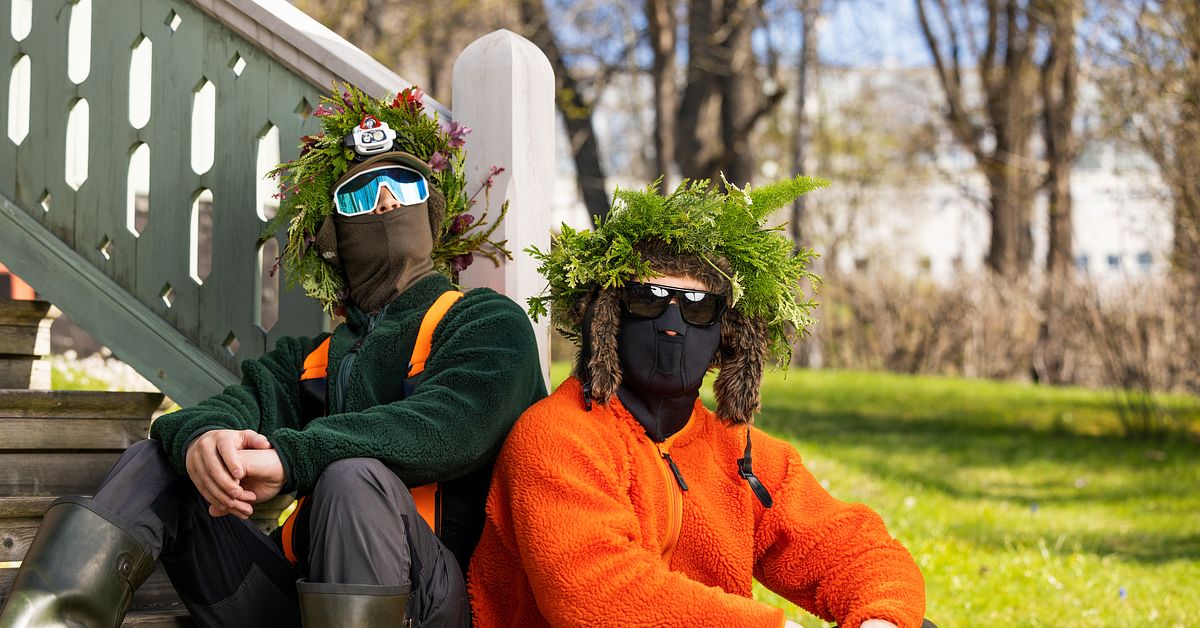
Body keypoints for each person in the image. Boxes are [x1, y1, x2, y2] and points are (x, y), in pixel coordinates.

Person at [0, 86, 546, 628]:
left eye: (403, 184)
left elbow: (449, 428)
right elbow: (218, 412)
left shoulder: (486, 322)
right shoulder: (310, 360)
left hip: (435, 602)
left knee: (352, 478)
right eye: (359, 194)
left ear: (430, 211)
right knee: (161, 458)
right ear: (332, 237)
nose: (384, 202)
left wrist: (292, 457)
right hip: (306, 596)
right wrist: (203, 441)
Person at [468, 178, 929, 627]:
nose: (672, 324)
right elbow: (599, 598)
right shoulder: (557, 436)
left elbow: (850, 547)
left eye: (697, 305)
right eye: (648, 299)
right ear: (606, 316)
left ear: (727, 334)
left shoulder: (740, 453)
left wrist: (882, 618)